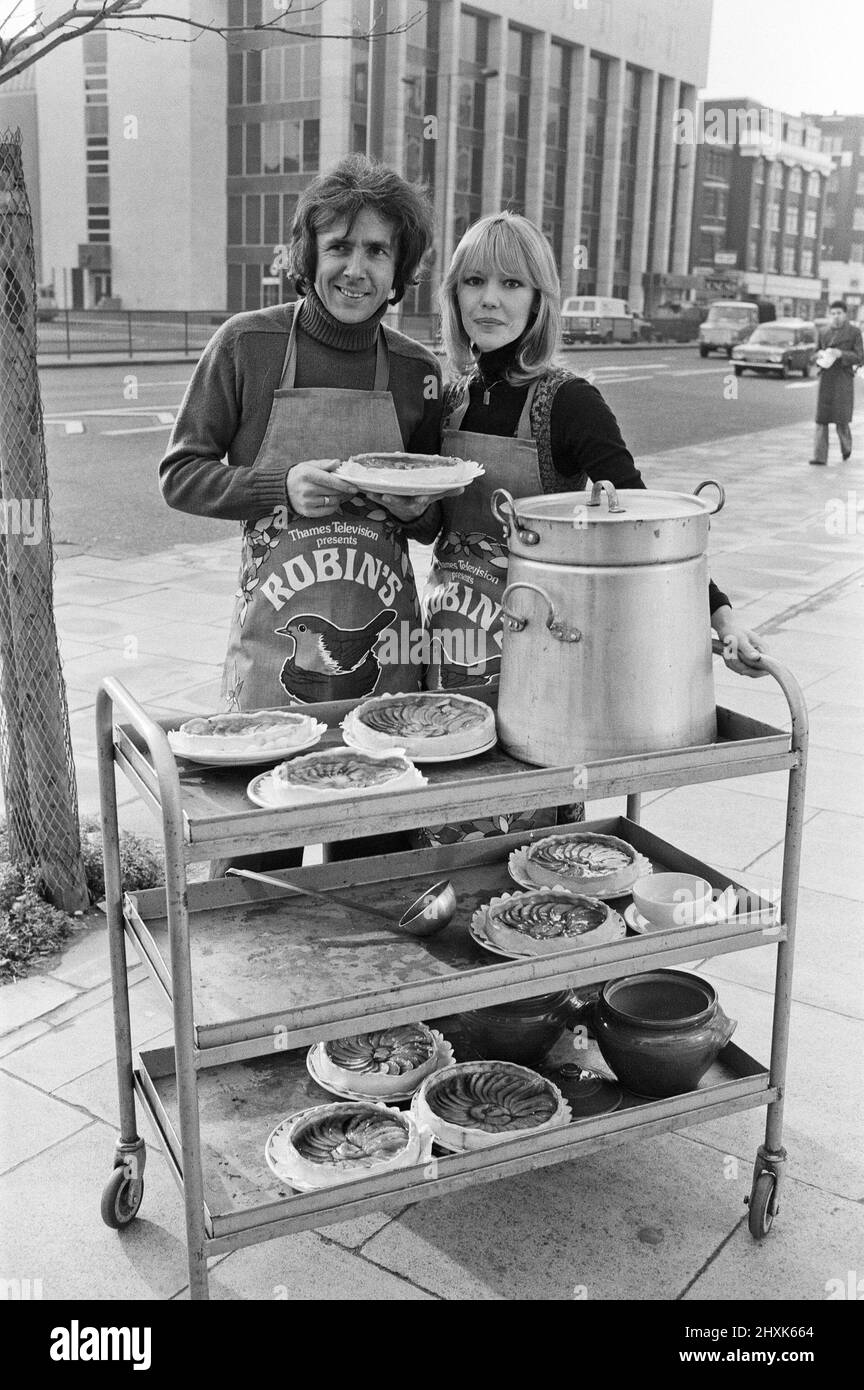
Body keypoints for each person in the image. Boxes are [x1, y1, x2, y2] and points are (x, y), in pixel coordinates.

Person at [412, 212, 768, 843]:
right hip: (450, 637)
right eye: (473, 281)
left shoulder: (570, 401)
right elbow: (429, 525)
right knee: (447, 804)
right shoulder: (452, 397)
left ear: (540, 300)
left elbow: (641, 525)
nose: (489, 299)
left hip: (544, 641)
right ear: (453, 295)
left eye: (512, 284)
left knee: (530, 822)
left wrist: (720, 615)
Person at [159, 154, 445, 867]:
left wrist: (414, 511)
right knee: (260, 871)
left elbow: (438, 520)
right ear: (305, 253)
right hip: (271, 665)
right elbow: (182, 475)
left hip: (388, 667)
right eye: (339, 246)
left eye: (377, 250)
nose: (357, 268)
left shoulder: (419, 372)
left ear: (399, 265)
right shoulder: (248, 344)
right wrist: (277, 486)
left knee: (374, 870)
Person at [809, 300, 863, 466]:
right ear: (829, 314)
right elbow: (814, 353)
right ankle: (819, 456)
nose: (836, 317)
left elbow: (860, 357)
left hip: (843, 379)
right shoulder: (824, 331)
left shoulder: (854, 332)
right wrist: (818, 356)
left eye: (839, 313)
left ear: (845, 314)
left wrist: (841, 354)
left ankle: (846, 448)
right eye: (833, 313)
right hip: (826, 378)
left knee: (841, 418)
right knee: (821, 419)